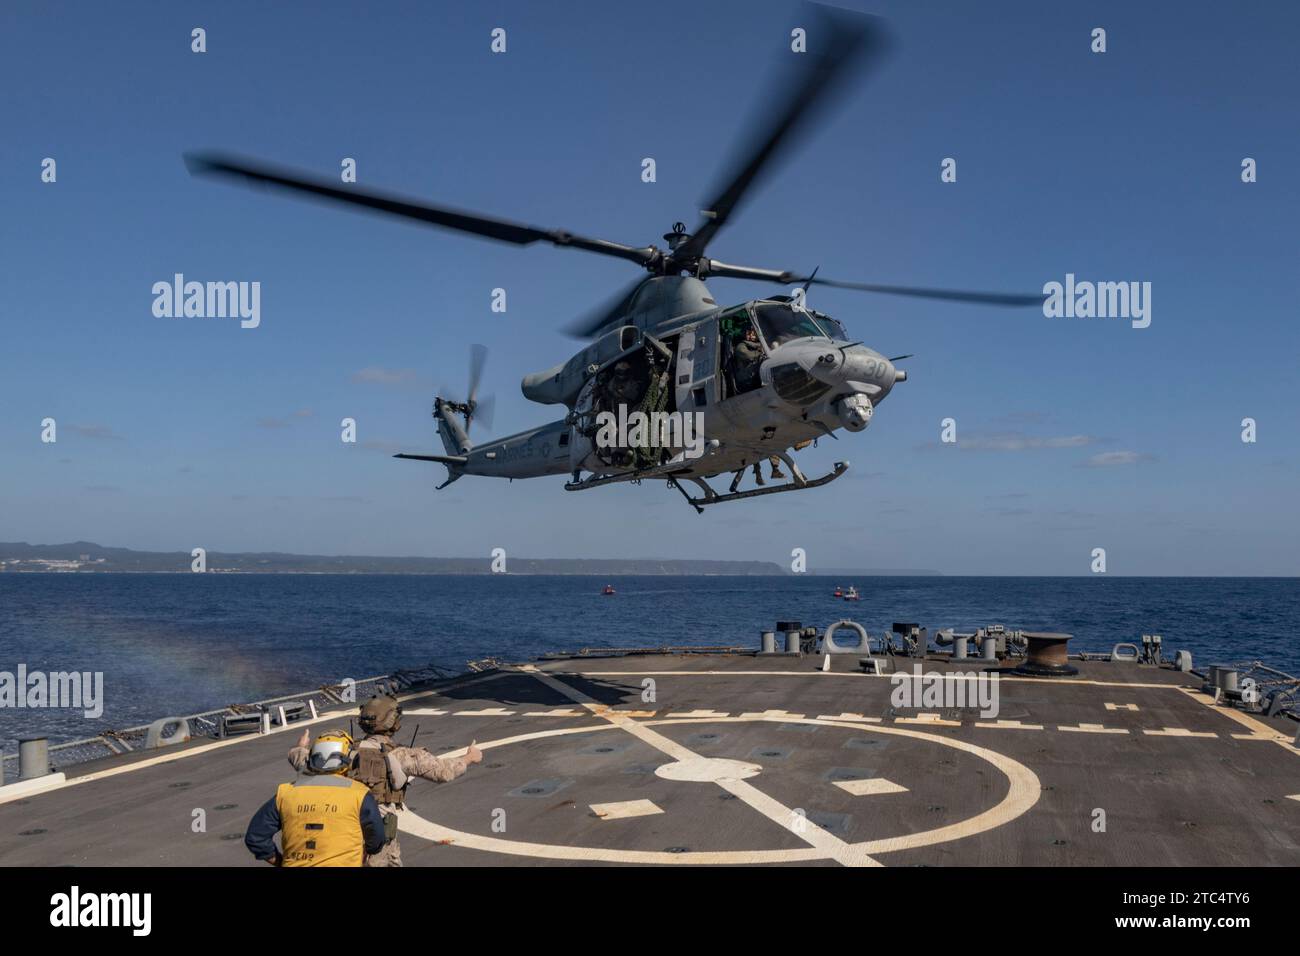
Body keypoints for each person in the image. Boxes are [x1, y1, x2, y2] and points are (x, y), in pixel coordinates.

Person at [288, 694, 483, 867]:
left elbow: (302, 761)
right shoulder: (401, 755)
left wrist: (300, 747)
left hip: (342, 836)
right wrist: (469, 757)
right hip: (378, 839)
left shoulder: (342, 752)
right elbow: (444, 772)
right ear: (393, 722)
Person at [245, 730, 385, 867]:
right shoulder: (359, 794)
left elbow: (256, 837)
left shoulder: (286, 793)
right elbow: (377, 840)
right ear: (351, 759)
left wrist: (281, 862)